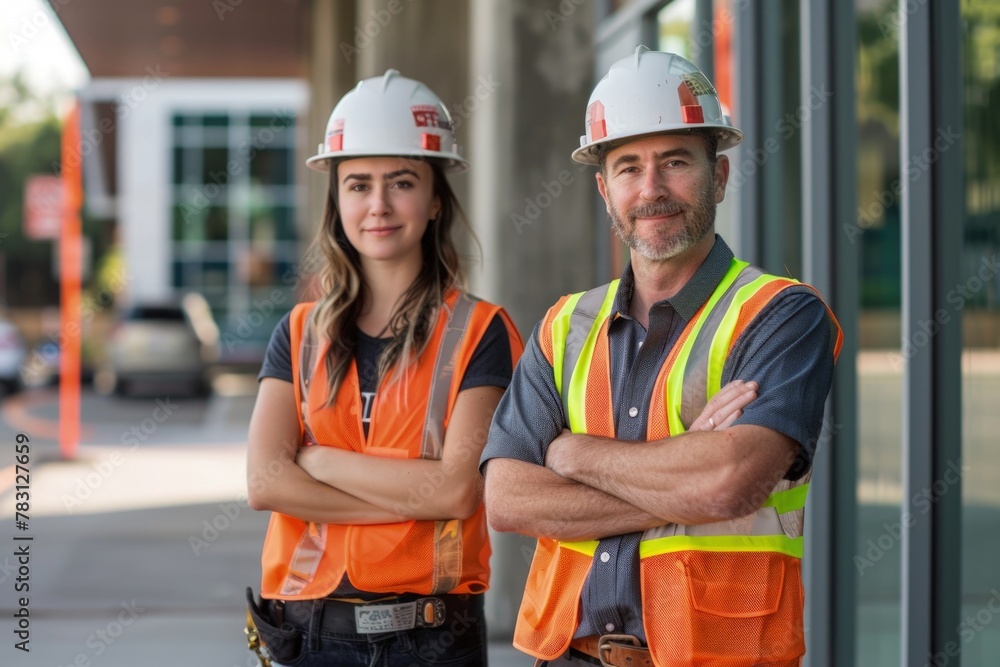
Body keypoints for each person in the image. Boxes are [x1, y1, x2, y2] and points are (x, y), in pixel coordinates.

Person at [481, 47, 843, 667]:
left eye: (675, 161)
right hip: (567, 656)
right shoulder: (564, 326)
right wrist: (684, 480)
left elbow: (729, 482)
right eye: (629, 167)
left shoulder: (780, 315)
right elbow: (508, 499)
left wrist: (571, 454)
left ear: (719, 176)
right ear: (605, 190)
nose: (651, 190)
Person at [245, 69, 523, 667]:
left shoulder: (481, 331)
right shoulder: (299, 332)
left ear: (435, 200)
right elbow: (266, 483)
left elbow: (459, 490)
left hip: (433, 640)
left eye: (401, 182)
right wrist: (415, 497)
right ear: (337, 200)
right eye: (358, 184)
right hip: (309, 637)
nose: (378, 205)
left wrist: (319, 463)